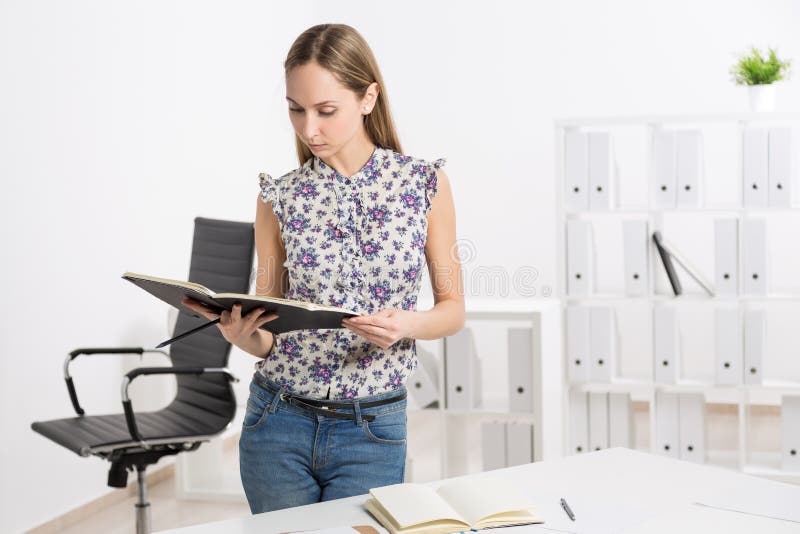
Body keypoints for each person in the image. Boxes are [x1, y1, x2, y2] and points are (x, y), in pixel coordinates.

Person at [181, 22, 464, 514]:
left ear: (368, 98)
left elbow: (453, 310)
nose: (308, 128)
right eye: (295, 109)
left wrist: (405, 325)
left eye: (325, 110)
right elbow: (269, 330)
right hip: (276, 423)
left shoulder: (424, 184)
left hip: (371, 430)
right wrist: (240, 335)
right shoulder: (278, 196)